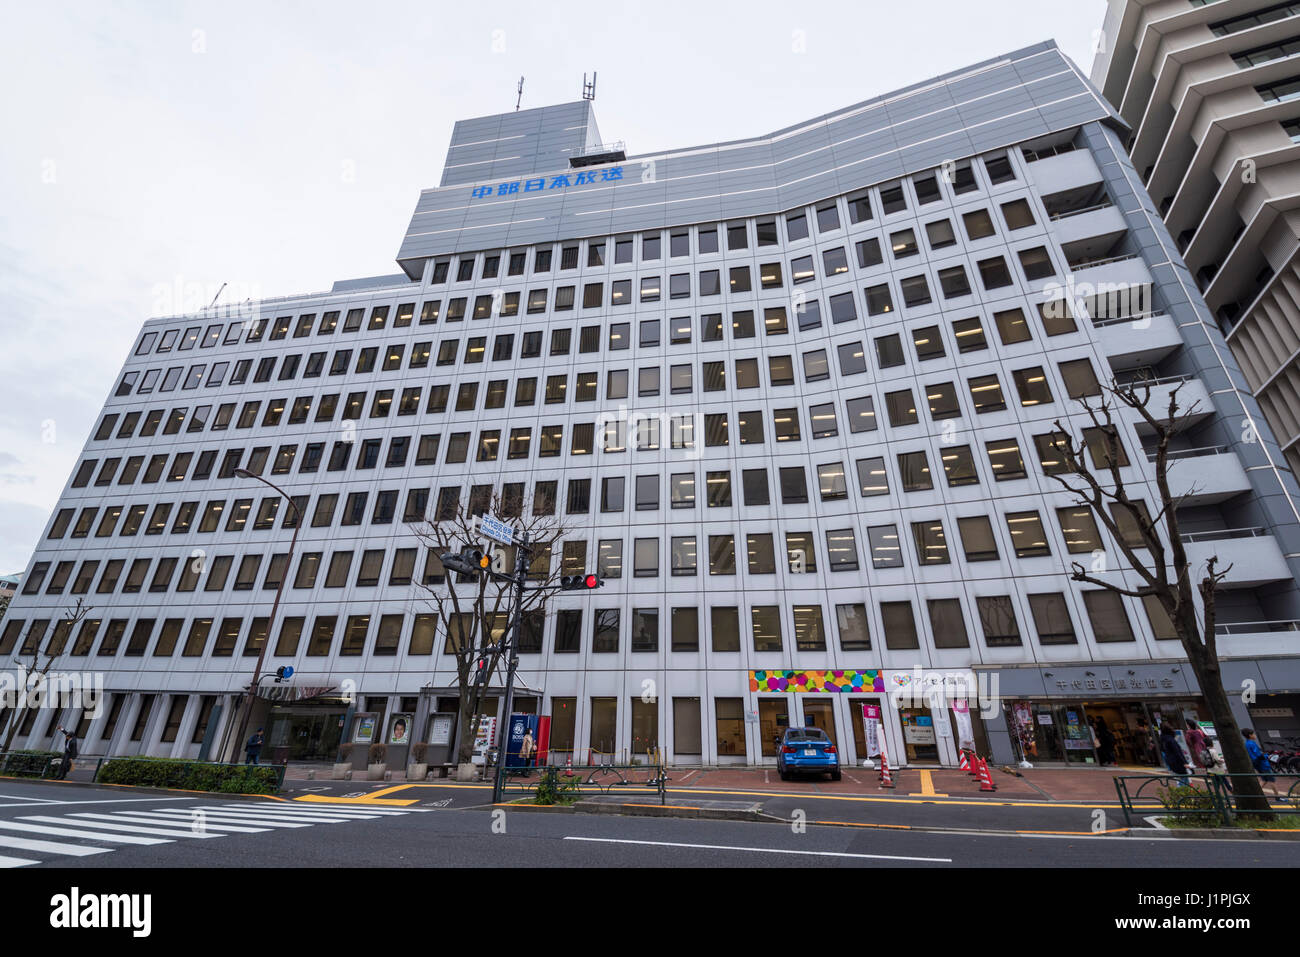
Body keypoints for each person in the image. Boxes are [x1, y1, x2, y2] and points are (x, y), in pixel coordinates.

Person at [1242, 728, 1279, 796]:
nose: (1255, 735)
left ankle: (1255, 795)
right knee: (1272, 780)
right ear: (1250, 735)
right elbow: (1259, 755)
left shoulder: (1246, 743)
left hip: (1257, 764)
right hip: (1263, 764)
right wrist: (1267, 756)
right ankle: (1278, 797)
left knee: (1264, 780)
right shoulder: (1252, 743)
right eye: (1253, 734)